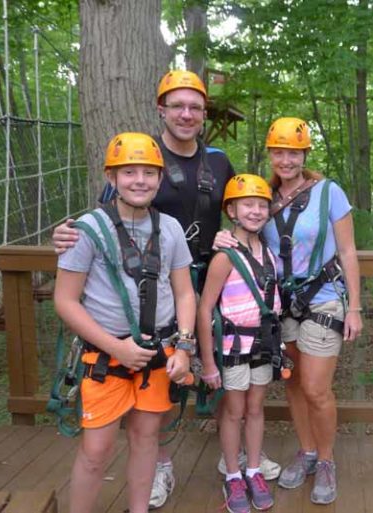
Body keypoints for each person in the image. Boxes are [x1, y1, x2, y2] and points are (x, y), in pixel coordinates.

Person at [52, 70, 280, 509]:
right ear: (162, 110)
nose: (187, 114)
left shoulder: (217, 161)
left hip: (201, 283)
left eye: (195, 106)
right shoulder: (142, 161)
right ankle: (162, 465)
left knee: (195, 375)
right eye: (177, 105)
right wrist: (62, 235)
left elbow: (243, 209)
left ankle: (235, 459)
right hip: (138, 291)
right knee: (109, 437)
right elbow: (101, 229)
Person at [215, 117, 363, 505]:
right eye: (278, 152)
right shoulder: (263, 196)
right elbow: (246, 229)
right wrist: (224, 238)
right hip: (279, 303)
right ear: (271, 154)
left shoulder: (329, 193)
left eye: (293, 152)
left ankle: (327, 460)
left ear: (304, 154)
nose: (286, 159)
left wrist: (355, 307)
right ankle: (307, 450)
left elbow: (348, 251)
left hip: (324, 296)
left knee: (316, 387)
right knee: (294, 382)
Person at [54, 132, 196, 513]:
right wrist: (116, 347)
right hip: (106, 355)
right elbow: (66, 301)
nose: (139, 180)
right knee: (96, 448)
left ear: (160, 179)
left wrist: (184, 346)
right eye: (128, 172)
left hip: (158, 354)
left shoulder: (169, 229)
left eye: (149, 172)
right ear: (111, 177)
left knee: (146, 437)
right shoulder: (88, 231)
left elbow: (184, 292)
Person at [199, 174, 282, 513]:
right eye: (248, 204)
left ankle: (253, 469)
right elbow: (205, 309)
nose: (256, 211)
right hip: (234, 348)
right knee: (233, 412)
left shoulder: (269, 253)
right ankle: (233, 474)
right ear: (231, 210)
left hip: (263, 345)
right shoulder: (225, 256)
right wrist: (207, 363)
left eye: (262, 205)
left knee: (255, 409)